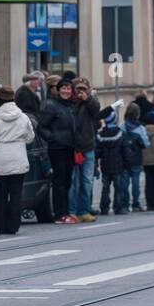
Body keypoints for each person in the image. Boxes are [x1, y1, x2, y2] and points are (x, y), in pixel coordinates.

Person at [0, 86, 34, 235]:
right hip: (18, 157)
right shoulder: (23, 117)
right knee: (16, 193)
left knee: (1, 194)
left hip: (1, 159)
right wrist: (19, 142)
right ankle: (14, 225)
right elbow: (30, 136)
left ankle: (3, 225)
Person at [38, 79, 79, 223]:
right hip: (57, 148)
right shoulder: (51, 106)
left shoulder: (73, 106)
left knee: (67, 181)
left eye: (68, 89)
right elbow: (41, 126)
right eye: (63, 88)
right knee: (59, 181)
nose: (66, 91)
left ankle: (66, 212)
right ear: (58, 89)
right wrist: (53, 138)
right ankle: (60, 213)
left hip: (70, 148)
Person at [69, 79, 101, 222]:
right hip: (73, 147)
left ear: (88, 90)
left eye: (83, 90)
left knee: (87, 181)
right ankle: (72, 211)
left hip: (88, 147)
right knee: (73, 182)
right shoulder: (70, 103)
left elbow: (96, 110)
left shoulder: (90, 102)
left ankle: (84, 210)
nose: (80, 92)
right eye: (77, 89)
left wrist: (87, 99)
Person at [95, 106, 127, 215]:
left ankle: (104, 208)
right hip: (118, 164)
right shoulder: (120, 133)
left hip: (105, 165)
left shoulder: (100, 134)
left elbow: (97, 152)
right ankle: (118, 208)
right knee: (118, 188)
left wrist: (95, 163)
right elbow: (124, 150)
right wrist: (126, 163)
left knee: (105, 188)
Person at [121, 103, 150, 211]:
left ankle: (125, 203)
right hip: (137, 158)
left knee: (125, 182)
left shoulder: (122, 126)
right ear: (137, 114)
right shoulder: (140, 128)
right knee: (135, 181)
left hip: (125, 158)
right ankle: (136, 204)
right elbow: (146, 144)